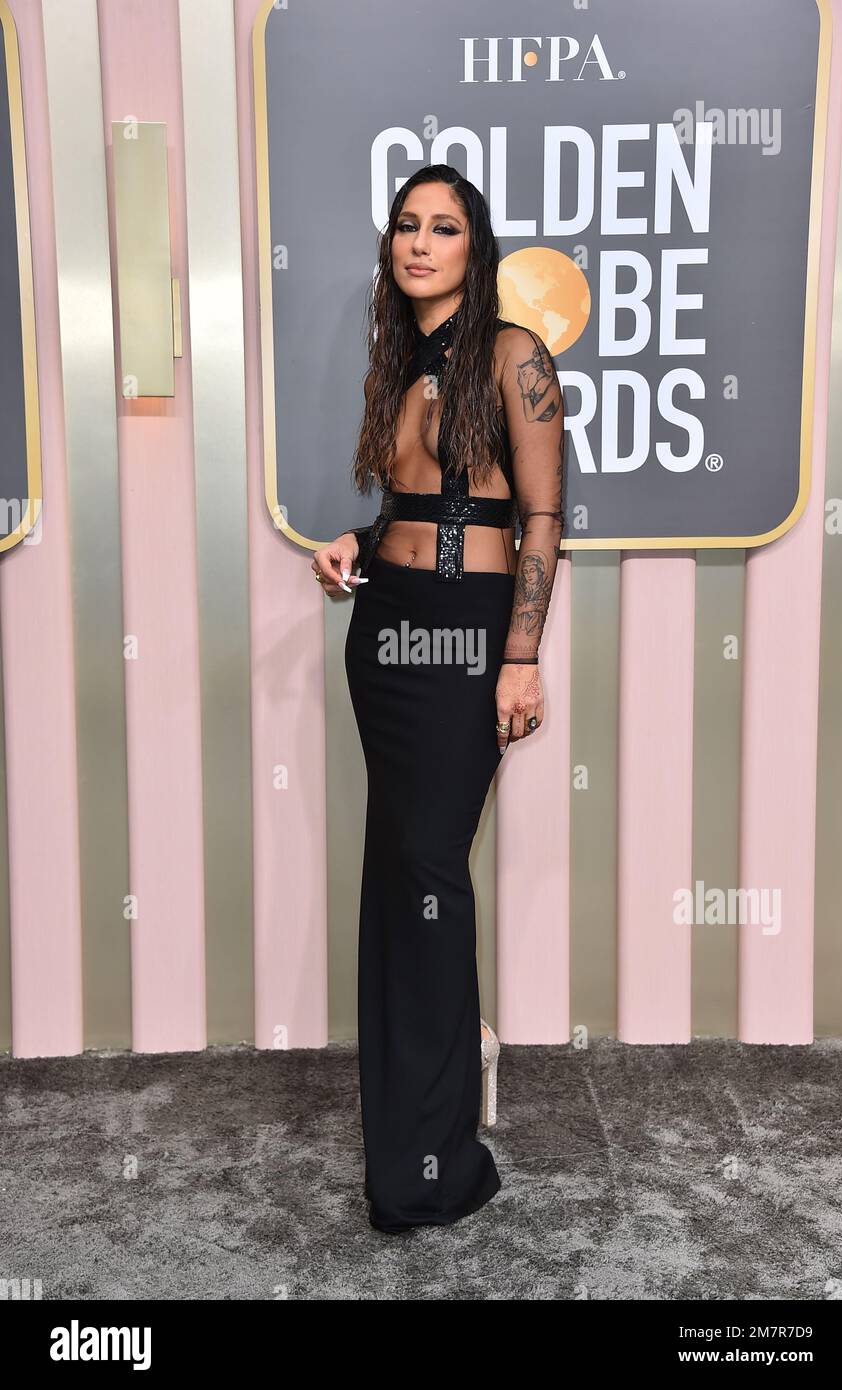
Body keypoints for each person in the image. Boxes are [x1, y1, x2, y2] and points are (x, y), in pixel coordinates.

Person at [311, 163, 565, 1233]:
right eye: (407, 226)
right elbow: (411, 500)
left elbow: (542, 518)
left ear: (476, 247)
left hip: (467, 635)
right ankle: (400, 1155)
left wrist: (520, 653)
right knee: (396, 876)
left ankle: (437, 1159)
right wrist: (354, 543)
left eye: (443, 227)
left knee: (428, 876)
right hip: (386, 631)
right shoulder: (396, 359)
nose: (419, 242)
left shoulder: (514, 357)